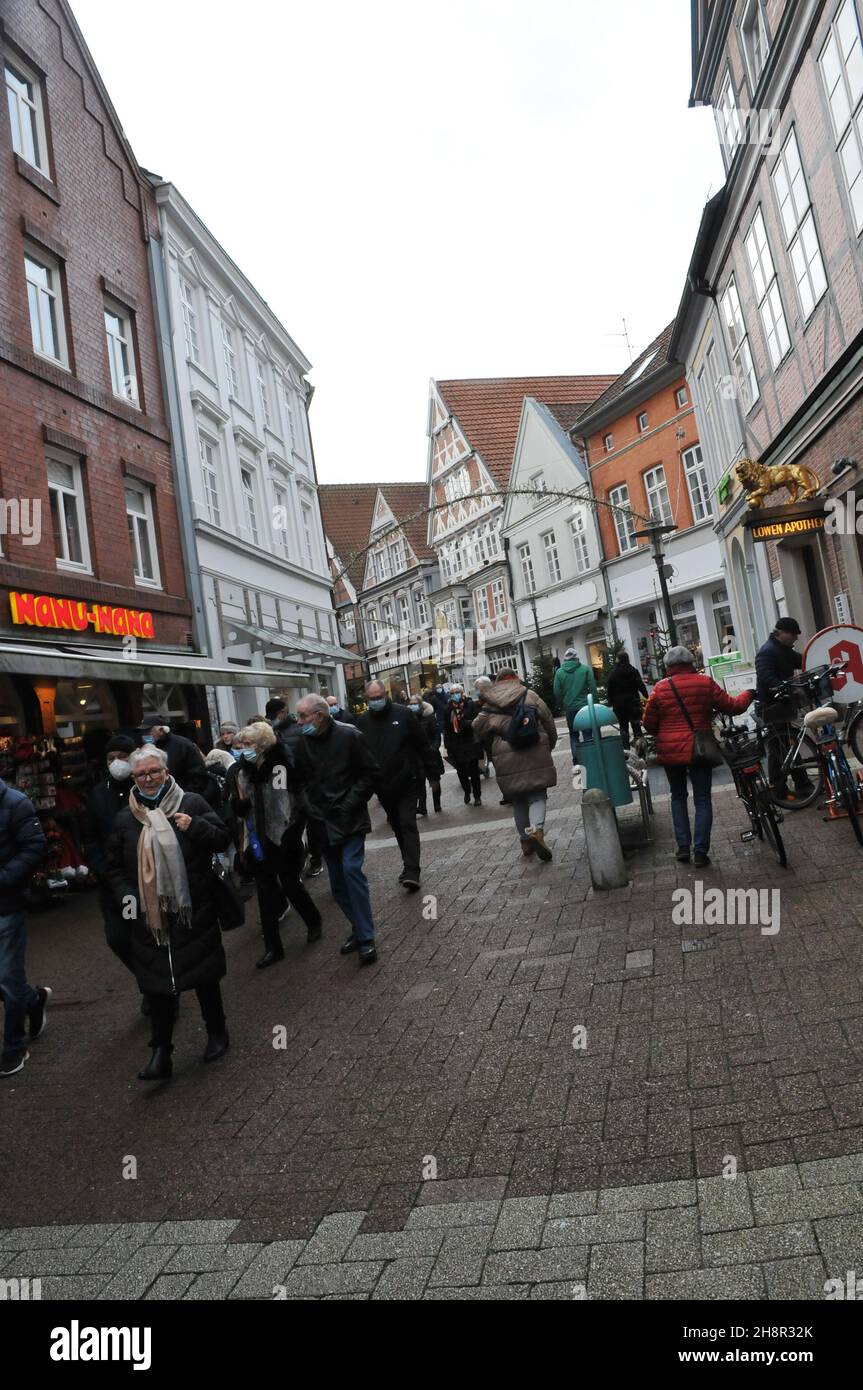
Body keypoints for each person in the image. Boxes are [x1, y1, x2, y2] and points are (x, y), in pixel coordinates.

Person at [105, 745, 232, 1080]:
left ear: (166, 772)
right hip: (149, 915)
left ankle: (217, 1031)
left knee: (204, 975)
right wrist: (129, 901)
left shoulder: (191, 803)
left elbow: (222, 838)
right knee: (156, 983)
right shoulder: (125, 817)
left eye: (154, 772)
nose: (148, 779)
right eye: (141, 774)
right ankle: (161, 1052)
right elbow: (113, 868)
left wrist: (195, 828)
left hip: (193, 906)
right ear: (133, 777)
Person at [642, 645, 755, 868]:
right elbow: (732, 706)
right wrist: (748, 694)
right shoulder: (705, 683)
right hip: (699, 748)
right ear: (691, 663)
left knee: (677, 796)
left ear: (668, 667)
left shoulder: (660, 689)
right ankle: (701, 851)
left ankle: (683, 847)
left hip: (671, 750)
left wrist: (666, 732)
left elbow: (649, 724)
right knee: (702, 799)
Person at [226, 722, 322, 968]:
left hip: (283, 838)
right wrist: (238, 808)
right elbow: (238, 801)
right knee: (266, 894)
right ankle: (273, 947)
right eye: (241, 745)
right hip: (257, 841)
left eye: (248, 745)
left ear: (263, 746)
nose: (242, 749)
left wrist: (291, 833)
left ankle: (313, 921)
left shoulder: (279, 768)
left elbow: (285, 804)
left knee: (291, 885)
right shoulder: (241, 772)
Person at [293, 694, 380, 965]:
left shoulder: (349, 736)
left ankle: (366, 938)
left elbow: (371, 773)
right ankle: (358, 926)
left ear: (319, 715)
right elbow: (300, 781)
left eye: (303, 716)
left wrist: (349, 803)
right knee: (338, 885)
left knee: (352, 871)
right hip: (321, 822)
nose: (299, 722)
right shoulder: (302, 743)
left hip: (349, 818)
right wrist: (309, 808)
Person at [472, 669, 558, 861]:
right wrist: (550, 744)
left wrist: (497, 729)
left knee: (518, 800)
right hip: (534, 748)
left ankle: (526, 840)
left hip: (505, 754)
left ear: (498, 682)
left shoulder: (490, 702)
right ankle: (537, 831)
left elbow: (477, 727)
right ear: (516, 678)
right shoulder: (529, 694)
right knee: (536, 796)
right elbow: (549, 721)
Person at [357, 680, 434, 890]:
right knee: (398, 825)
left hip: (407, 781)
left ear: (385, 694)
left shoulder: (403, 714)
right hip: (383, 786)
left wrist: (429, 770)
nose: (376, 701)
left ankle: (412, 870)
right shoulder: (362, 723)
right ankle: (407, 864)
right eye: (371, 699)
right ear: (367, 699)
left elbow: (422, 743)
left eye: (378, 697)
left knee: (408, 822)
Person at [0, 777, 50, 1076]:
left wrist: (4, 879)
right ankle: (34, 999)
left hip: (6, 905)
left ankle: (14, 1046)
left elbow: (34, 847)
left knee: (7, 976)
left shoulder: (15, 803)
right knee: (7, 981)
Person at [83, 735, 138, 984]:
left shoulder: (143, 787)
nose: (116, 763)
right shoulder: (97, 793)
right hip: (112, 882)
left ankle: (157, 990)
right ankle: (148, 980)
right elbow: (90, 836)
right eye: (111, 758)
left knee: (145, 935)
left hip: (142, 876)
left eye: (122, 757)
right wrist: (101, 867)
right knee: (117, 938)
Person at [755, 617, 810, 797]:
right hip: (772, 706)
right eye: (793, 635)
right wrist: (782, 688)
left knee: (782, 746)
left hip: (779, 705)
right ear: (782, 633)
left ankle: (783, 788)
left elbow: (803, 661)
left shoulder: (782, 649)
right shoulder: (768, 651)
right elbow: (765, 676)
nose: (795, 638)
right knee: (781, 747)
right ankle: (789, 787)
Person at [138, 714, 209, 796]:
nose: (144, 735)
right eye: (142, 732)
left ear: (161, 731)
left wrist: (183, 796)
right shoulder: (144, 749)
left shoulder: (183, 745)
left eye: (147, 731)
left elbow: (199, 775)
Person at [553, 648, 598, 761]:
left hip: (570, 708)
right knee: (588, 734)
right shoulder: (585, 669)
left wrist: (562, 705)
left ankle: (577, 763)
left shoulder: (559, 672)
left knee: (573, 736)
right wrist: (595, 704)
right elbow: (592, 687)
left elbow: (557, 692)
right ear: (577, 657)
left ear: (565, 660)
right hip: (585, 707)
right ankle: (591, 759)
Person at [443, 684, 482, 806]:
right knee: (461, 770)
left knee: (473, 770)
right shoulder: (448, 708)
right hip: (456, 743)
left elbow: (477, 720)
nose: (455, 694)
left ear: (462, 692)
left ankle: (477, 796)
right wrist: (447, 745)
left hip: (470, 741)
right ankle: (466, 791)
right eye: (452, 692)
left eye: (457, 692)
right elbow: (446, 728)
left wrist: (466, 723)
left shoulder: (470, 704)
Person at [408, 693, 445, 814]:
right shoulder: (409, 719)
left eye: (415, 704)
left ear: (420, 704)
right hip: (416, 755)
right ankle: (422, 807)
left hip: (430, 754)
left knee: (434, 781)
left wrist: (434, 748)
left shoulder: (429, 717)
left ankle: (437, 803)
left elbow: (436, 735)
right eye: (411, 704)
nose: (412, 706)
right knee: (419, 782)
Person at [605, 652, 649, 751]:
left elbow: (609, 689)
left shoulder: (613, 673)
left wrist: (611, 702)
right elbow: (640, 685)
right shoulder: (633, 671)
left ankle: (626, 750)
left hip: (619, 705)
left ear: (618, 659)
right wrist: (647, 696)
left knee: (623, 727)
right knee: (636, 727)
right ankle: (640, 750)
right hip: (633, 703)